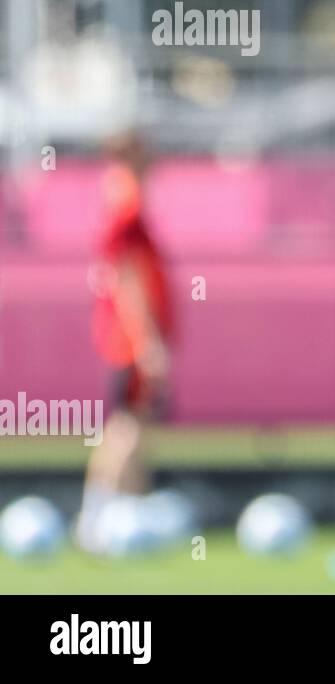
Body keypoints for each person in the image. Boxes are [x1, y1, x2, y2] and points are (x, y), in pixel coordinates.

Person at [78, 130, 174, 552]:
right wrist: (147, 340)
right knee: (130, 426)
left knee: (127, 424)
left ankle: (116, 512)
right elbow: (128, 275)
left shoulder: (118, 197)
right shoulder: (126, 201)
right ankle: (103, 516)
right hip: (128, 337)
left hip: (123, 335)